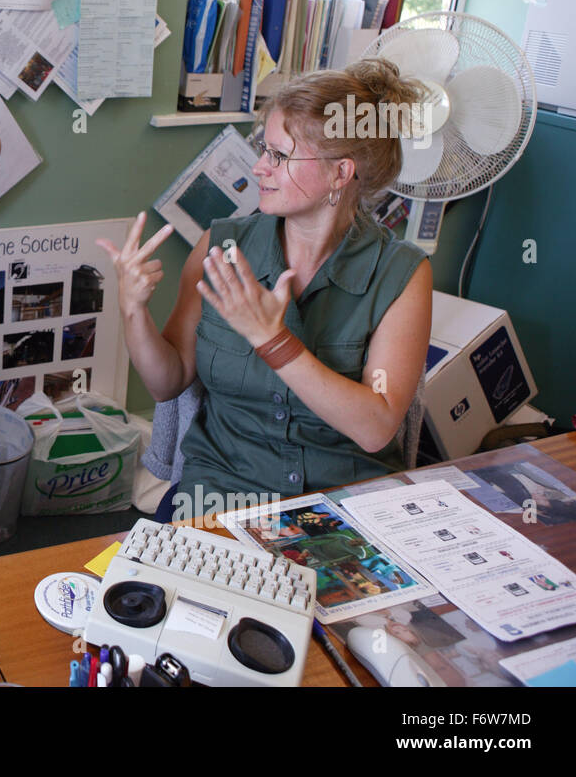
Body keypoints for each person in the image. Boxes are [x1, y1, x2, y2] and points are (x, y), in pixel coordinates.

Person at [99, 58, 433, 520]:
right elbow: (167, 382)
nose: (259, 168)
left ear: (340, 174)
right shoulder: (220, 245)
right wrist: (132, 310)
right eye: (264, 149)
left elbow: (376, 427)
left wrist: (274, 342)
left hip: (345, 504)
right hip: (221, 493)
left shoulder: (402, 272)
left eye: (279, 155)